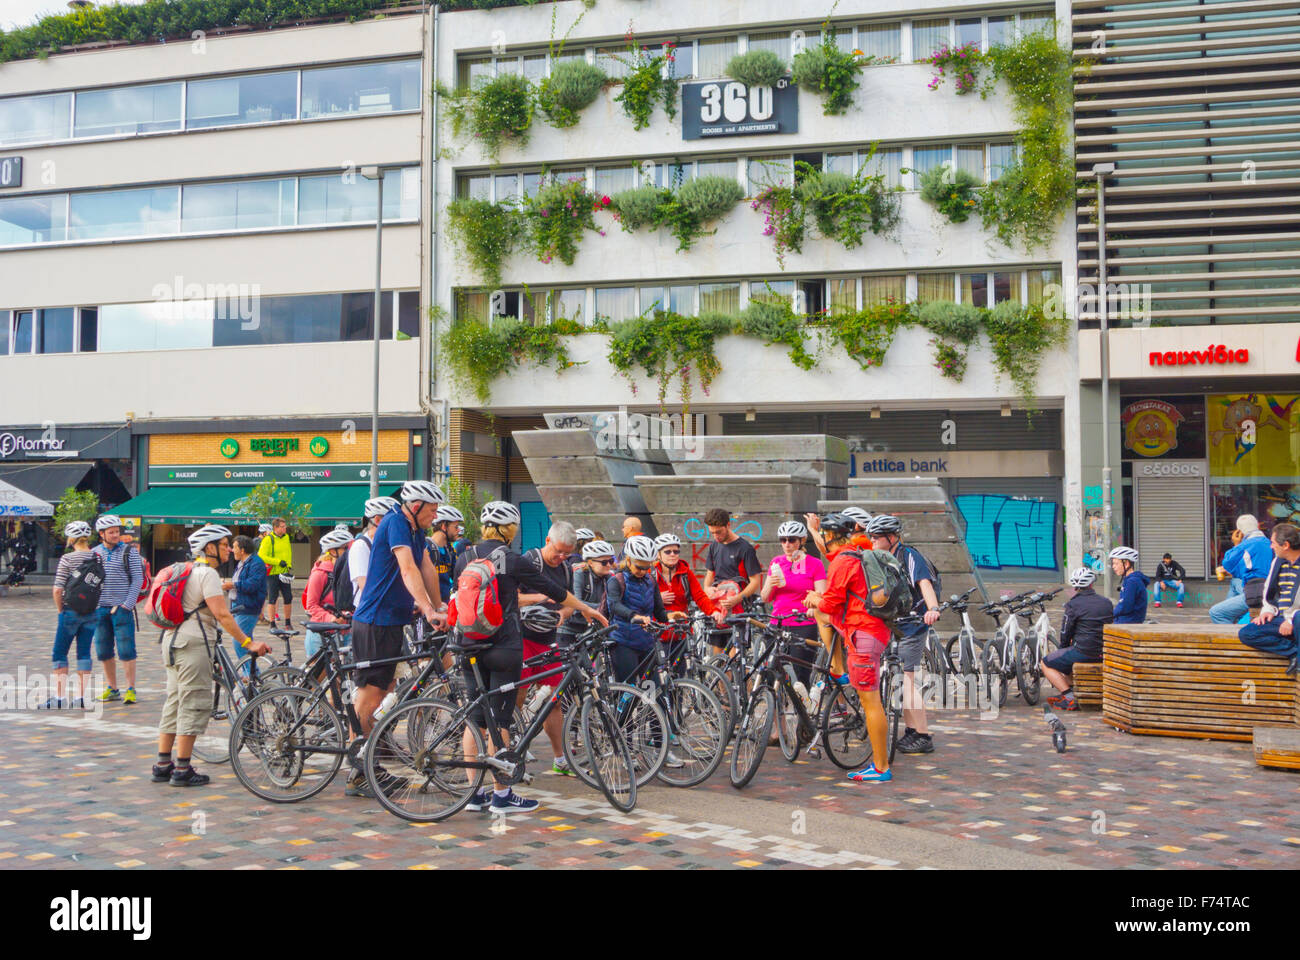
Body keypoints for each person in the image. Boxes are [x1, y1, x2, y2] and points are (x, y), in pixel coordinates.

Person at [456, 502, 607, 814]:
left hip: (468, 645)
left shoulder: (465, 557)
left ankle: (472, 794)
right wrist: (587, 609)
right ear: (510, 530)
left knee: (475, 721)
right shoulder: (512, 559)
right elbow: (555, 590)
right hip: (503, 646)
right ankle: (501, 795)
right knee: (501, 720)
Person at [347, 481, 447, 798]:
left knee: (385, 694)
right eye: (431, 510)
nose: (435, 516)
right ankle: (358, 770)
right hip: (375, 622)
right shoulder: (395, 523)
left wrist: (440, 605)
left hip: (392, 623)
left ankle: (370, 760)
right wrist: (428, 609)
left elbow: (426, 568)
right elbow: (407, 569)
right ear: (415, 506)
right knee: (369, 698)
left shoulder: (416, 530)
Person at [151, 525, 270, 788]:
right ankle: (182, 768)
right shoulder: (208, 574)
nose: (229, 548)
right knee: (193, 702)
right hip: (193, 643)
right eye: (225, 544)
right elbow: (222, 614)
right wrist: (247, 642)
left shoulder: (187, 570)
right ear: (209, 548)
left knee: (174, 701)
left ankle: (162, 764)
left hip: (171, 640)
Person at [804, 513, 893, 783]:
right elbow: (828, 551)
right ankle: (838, 668)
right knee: (871, 702)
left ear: (832, 536)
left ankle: (880, 768)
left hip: (862, 634)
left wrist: (814, 597)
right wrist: (813, 531)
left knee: (871, 704)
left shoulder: (842, 562)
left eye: (825, 537)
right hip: (873, 630)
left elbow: (830, 604)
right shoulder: (857, 551)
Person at [867, 514, 941, 755]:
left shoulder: (909, 555)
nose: (872, 541)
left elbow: (924, 583)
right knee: (898, 679)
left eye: (876, 537)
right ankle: (911, 730)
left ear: (892, 537)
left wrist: (932, 609)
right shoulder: (878, 559)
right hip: (892, 624)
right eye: (871, 536)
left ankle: (923, 735)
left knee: (907, 680)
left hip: (913, 624)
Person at [517, 521, 579, 774]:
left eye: (567, 553)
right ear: (547, 541)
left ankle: (560, 758)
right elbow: (510, 596)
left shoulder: (565, 569)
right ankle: (515, 747)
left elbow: (571, 602)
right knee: (516, 699)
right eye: (559, 551)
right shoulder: (529, 561)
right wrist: (539, 598)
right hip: (521, 639)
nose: (561, 557)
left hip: (548, 641)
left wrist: (564, 613)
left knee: (554, 699)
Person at [760, 521, 828, 690]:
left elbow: (821, 594)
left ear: (802, 540)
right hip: (778, 622)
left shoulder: (814, 564)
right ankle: (776, 716)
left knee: (800, 678)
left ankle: (802, 715)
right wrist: (770, 585)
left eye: (792, 540)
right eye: (783, 540)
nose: (787, 544)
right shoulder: (777, 562)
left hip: (803, 623)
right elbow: (765, 597)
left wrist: (813, 608)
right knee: (770, 675)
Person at [1043, 567, 1114, 710]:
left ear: (1075, 586)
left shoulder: (1073, 604)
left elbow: (1065, 630)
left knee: (1046, 663)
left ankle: (1069, 696)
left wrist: (1062, 647)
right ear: (1092, 584)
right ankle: (1072, 692)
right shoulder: (1106, 602)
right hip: (1104, 650)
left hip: (1084, 651)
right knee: (1067, 658)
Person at [91, 514, 144, 705]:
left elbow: (137, 579)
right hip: (99, 609)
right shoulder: (94, 553)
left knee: (126, 649)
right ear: (101, 534)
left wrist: (127, 605)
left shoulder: (129, 552)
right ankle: (112, 688)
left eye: (117, 531)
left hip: (121, 608)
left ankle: (130, 689)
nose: (115, 535)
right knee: (103, 650)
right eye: (111, 532)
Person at [47, 521, 98, 710]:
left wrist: (61, 610)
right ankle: (81, 697)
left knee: (60, 652)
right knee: (84, 653)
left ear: (72, 538)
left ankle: (59, 697)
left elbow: (57, 589)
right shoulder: (97, 557)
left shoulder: (68, 559)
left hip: (70, 611)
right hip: (91, 611)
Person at [1238, 522, 1300, 675]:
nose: (1271, 547)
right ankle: (1295, 653)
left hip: (1296, 617)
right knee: (1247, 633)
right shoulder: (1277, 562)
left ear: (1285, 545)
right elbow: (1269, 590)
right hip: (1281, 616)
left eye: (1273, 543)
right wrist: (1268, 610)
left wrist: (1290, 620)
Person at [605, 535, 668, 685]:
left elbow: (659, 612)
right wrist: (634, 616)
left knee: (653, 688)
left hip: (647, 642)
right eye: (639, 567)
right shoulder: (616, 580)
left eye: (647, 567)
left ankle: (653, 710)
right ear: (628, 560)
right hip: (623, 642)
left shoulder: (651, 581)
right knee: (628, 689)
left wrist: (673, 617)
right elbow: (614, 605)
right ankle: (622, 709)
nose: (643, 571)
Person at [701, 508, 762, 655]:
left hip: (739, 611)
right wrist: (708, 589)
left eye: (719, 532)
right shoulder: (714, 546)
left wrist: (737, 598)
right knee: (718, 661)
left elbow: (755, 581)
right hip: (719, 610)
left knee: (735, 659)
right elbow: (708, 578)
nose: (716, 536)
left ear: (728, 525)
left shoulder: (745, 548)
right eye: (712, 533)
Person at [1212, 514, 1274, 624]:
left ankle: (1233, 637)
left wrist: (1236, 544)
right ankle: (1232, 614)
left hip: (1256, 592)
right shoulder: (1270, 543)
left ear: (1239, 531)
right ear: (1258, 526)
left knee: (1216, 613)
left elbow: (1228, 564)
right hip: (1267, 587)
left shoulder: (1245, 545)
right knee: (1235, 581)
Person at [653, 533, 724, 627]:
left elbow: (700, 596)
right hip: (657, 630)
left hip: (682, 629)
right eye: (667, 552)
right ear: (658, 554)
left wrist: (713, 611)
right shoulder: (650, 574)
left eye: (676, 551)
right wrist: (657, 599)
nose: (672, 554)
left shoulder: (685, 573)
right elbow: (640, 600)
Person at [304, 529, 353, 658]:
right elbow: (311, 605)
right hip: (321, 633)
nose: (349, 551)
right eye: (345, 548)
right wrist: (331, 619)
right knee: (320, 676)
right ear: (332, 551)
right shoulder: (320, 573)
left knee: (346, 674)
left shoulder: (350, 571)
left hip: (345, 631)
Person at [560, 540, 617, 647]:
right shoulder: (579, 574)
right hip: (568, 628)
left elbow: (614, 603)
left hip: (589, 629)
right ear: (590, 562)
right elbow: (575, 603)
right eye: (604, 562)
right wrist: (603, 607)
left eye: (611, 560)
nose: (609, 565)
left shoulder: (610, 578)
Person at [348, 496, 399, 613]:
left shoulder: (386, 545)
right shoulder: (361, 546)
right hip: (369, 614)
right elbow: (366, 587)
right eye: (393, 522)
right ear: (377, 520)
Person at [222, 535, 267, 666]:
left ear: (242, 550)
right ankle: (252, 674)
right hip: (238, 605)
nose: (231, 550)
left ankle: (251, 674)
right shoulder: (242, 563)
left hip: (248, 607)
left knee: (240, 642)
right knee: (246, 641)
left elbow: (252, 585)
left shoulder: (256, 563)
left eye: (234, 547)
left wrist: (232, 585)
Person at [258, 517, 294, 628]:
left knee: (288, 597)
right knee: (273, 598)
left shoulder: (286, 537)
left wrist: (288, 565)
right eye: (282, 527)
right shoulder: (268, 539)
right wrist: (278, 562)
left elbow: (288, 552)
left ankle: (288, 623)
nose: (285, 529)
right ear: (275, 528)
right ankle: (272, 623)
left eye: (285, 526)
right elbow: (261, 556)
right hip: (273, 573)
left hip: (284, 572)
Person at [427, 504, 464, 608]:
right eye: (456, 527)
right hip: (427, 609)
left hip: (445, 607)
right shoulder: (426, 548)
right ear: (444, 526)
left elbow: (458, 577)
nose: (458, 530)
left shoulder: (450, 550)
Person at [1109, 546, 1149, 624]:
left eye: (1116, 563)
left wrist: (1109, 615)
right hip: (1128, 622)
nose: (1113, 566)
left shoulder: (1132, 582)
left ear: (1126, 564)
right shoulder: (1132, 580)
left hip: (1128, 624)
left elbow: (1125, 606)